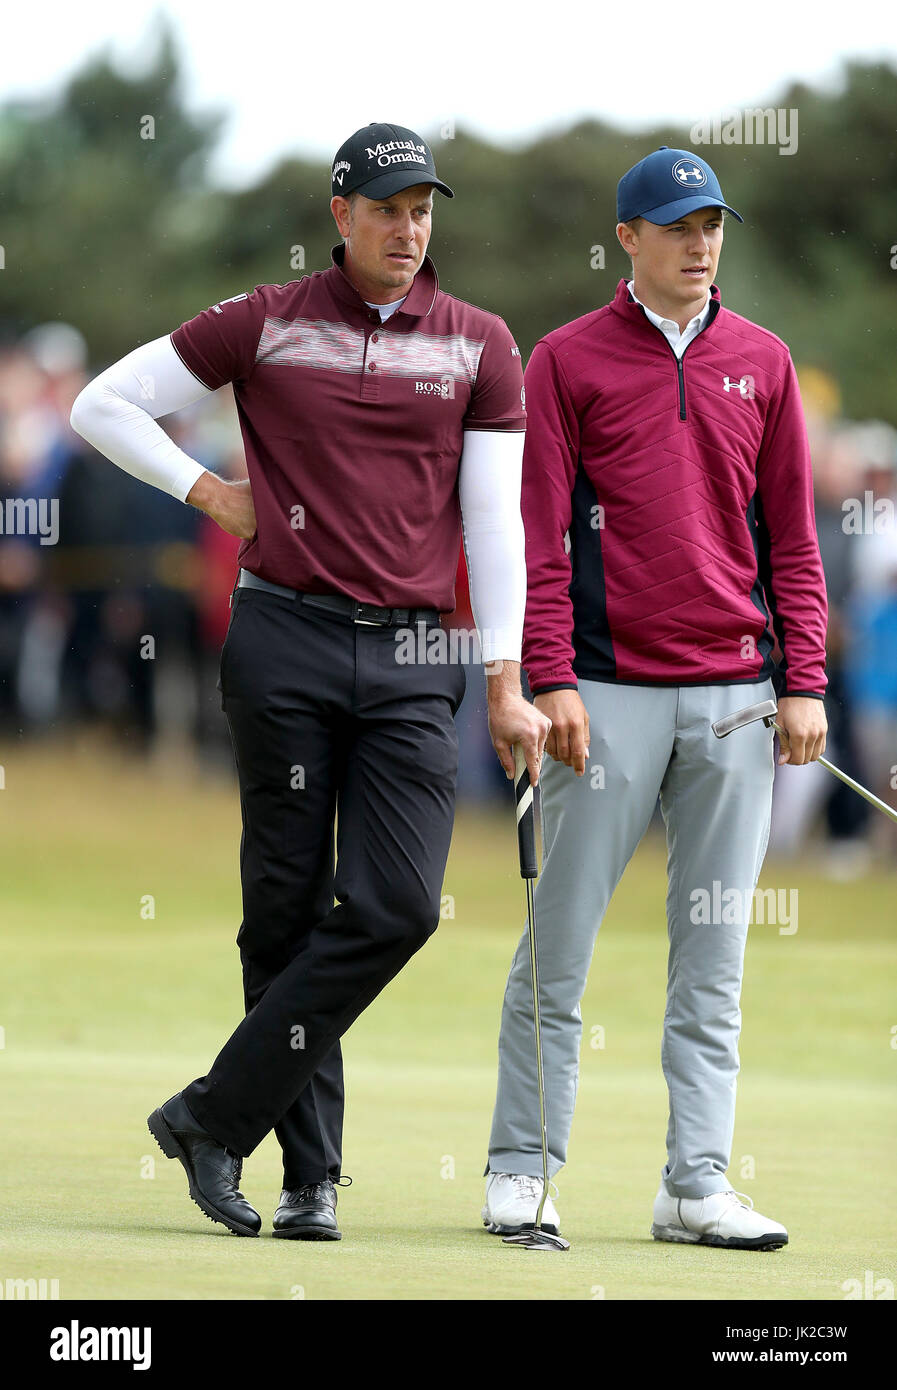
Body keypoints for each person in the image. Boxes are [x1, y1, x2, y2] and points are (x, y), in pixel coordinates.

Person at [70, 122, 549, 1240]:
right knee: (283, 911)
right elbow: (102, 403)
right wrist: (206, 490)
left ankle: (208, 1115)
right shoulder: (267, 321)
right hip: (284, 637)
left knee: (394, 905)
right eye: (387, 208)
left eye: (423, 207)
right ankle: (308, 1180)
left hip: (418, 655)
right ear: (342, 216)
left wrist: (506, 677)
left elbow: (493, 521)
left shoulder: (480, 342)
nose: (409, 226)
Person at [482, 148, 828, 1249]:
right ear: (627, 237)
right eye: (677, 225)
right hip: (604, 694)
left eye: (712, 223)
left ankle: (695, 1184)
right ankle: (521, 1169)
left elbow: (795, 544)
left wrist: (805, 678)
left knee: (713, 958)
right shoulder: (568, 359)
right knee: (560, 947)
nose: (700, 242)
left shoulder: (763, 362)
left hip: (735, 695)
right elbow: (538, 539)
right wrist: (548, 677)